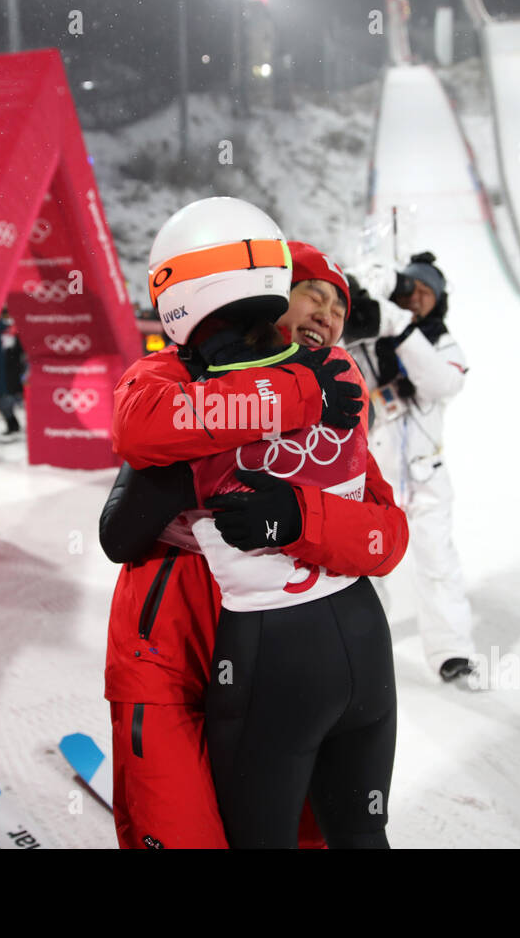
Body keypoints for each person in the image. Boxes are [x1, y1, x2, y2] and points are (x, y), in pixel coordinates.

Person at [105, 198, 400, 848]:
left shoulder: (337, 397)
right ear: (265, 299)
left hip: (282, 646)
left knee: (316, 833)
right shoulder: (176, 375)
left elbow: (386, 538)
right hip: (174, 658)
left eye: (338, 307)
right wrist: (290, 396)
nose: (327, 314)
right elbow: (120, 523)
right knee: (189, 835)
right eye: (310, 295)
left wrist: (299, 517)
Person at [344, 251, 475, 683]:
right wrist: (357, 311)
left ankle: (451, 652)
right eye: (411, 288)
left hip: (425, 474)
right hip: (371, 475)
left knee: (438, 563)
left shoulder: (435, 338)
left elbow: (443, 383)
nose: (418, 298)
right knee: (366, 569)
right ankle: (366, 658)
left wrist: (398, 327)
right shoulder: (366, 336)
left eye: (427, 292)